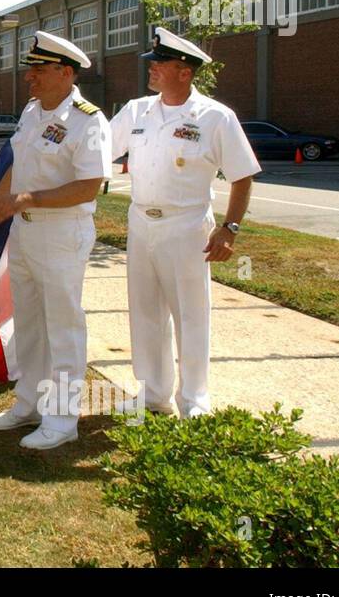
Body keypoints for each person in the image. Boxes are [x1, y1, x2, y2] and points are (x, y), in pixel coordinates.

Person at [0, 31, 111, 450]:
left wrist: (23, 200)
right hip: (25, 231)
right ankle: (27, 403)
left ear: (66, 73)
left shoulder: (87, 120)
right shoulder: (33, 112)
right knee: (29, 324)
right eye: (31, 70)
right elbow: (17, 169)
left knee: (63, 327)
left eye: (39, 71)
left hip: (62, 234)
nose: (30, 79)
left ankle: (63, 419)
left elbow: (88, 186)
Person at [109, 26, 260, 418]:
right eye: (152, 62)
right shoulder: (136, 111)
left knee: (190, 313)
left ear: (185, 72)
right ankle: (153, 394)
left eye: (161, 63)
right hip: (141, 222)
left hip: (187, 225)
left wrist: (230, 228)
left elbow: (242, 175)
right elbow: (98, 153)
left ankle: (194, 398)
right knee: (145, 311)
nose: (152, 69)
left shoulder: (215, 118)